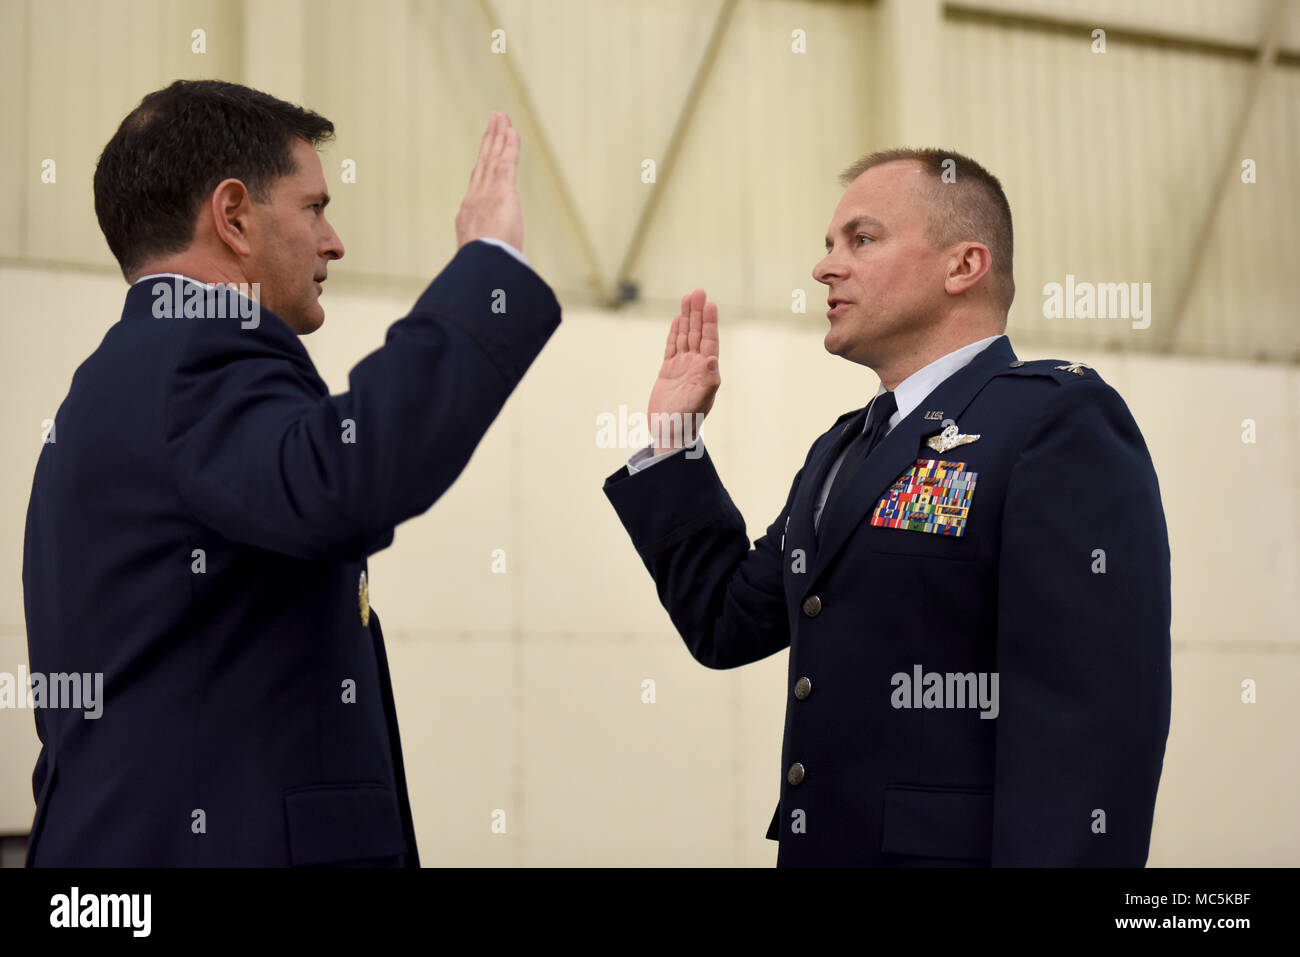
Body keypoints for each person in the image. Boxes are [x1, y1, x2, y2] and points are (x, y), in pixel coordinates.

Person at [22, 80, 560, 866]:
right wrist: (488, 269)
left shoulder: (108, 385)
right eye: (314, 207)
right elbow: (344, 479)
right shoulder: (197, 353)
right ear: (233, 215)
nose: (334, 241)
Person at [603, 149, 1171, 866]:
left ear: (963, 266)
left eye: (861, 240)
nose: (825, 267)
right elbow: (726, 623)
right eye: (828, 246)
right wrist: (674, 442)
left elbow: (1090, 727)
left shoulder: (1054, 424)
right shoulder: (841, 452)